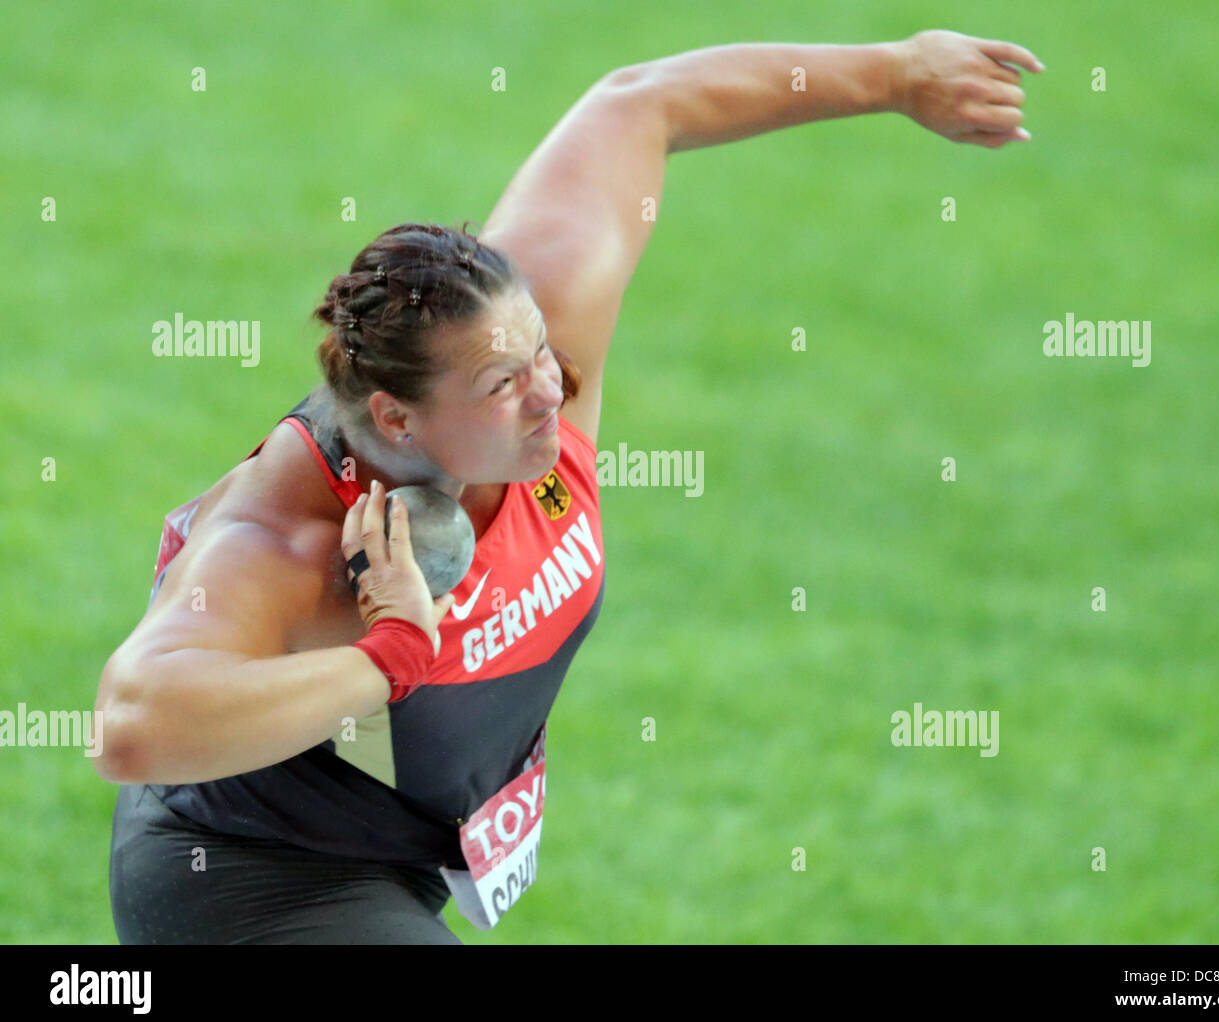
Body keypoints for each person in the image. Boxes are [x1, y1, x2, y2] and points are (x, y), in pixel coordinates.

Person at [94, 29, 1043, 944]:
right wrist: (384, 661)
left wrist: (897, 72)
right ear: (396, 419)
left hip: (401, 857)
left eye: (539, 353)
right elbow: (133, 730)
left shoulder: (525, 341)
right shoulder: (293, 539)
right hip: (252, 875)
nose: (554, 392)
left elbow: (642, 103)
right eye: (504, 386)